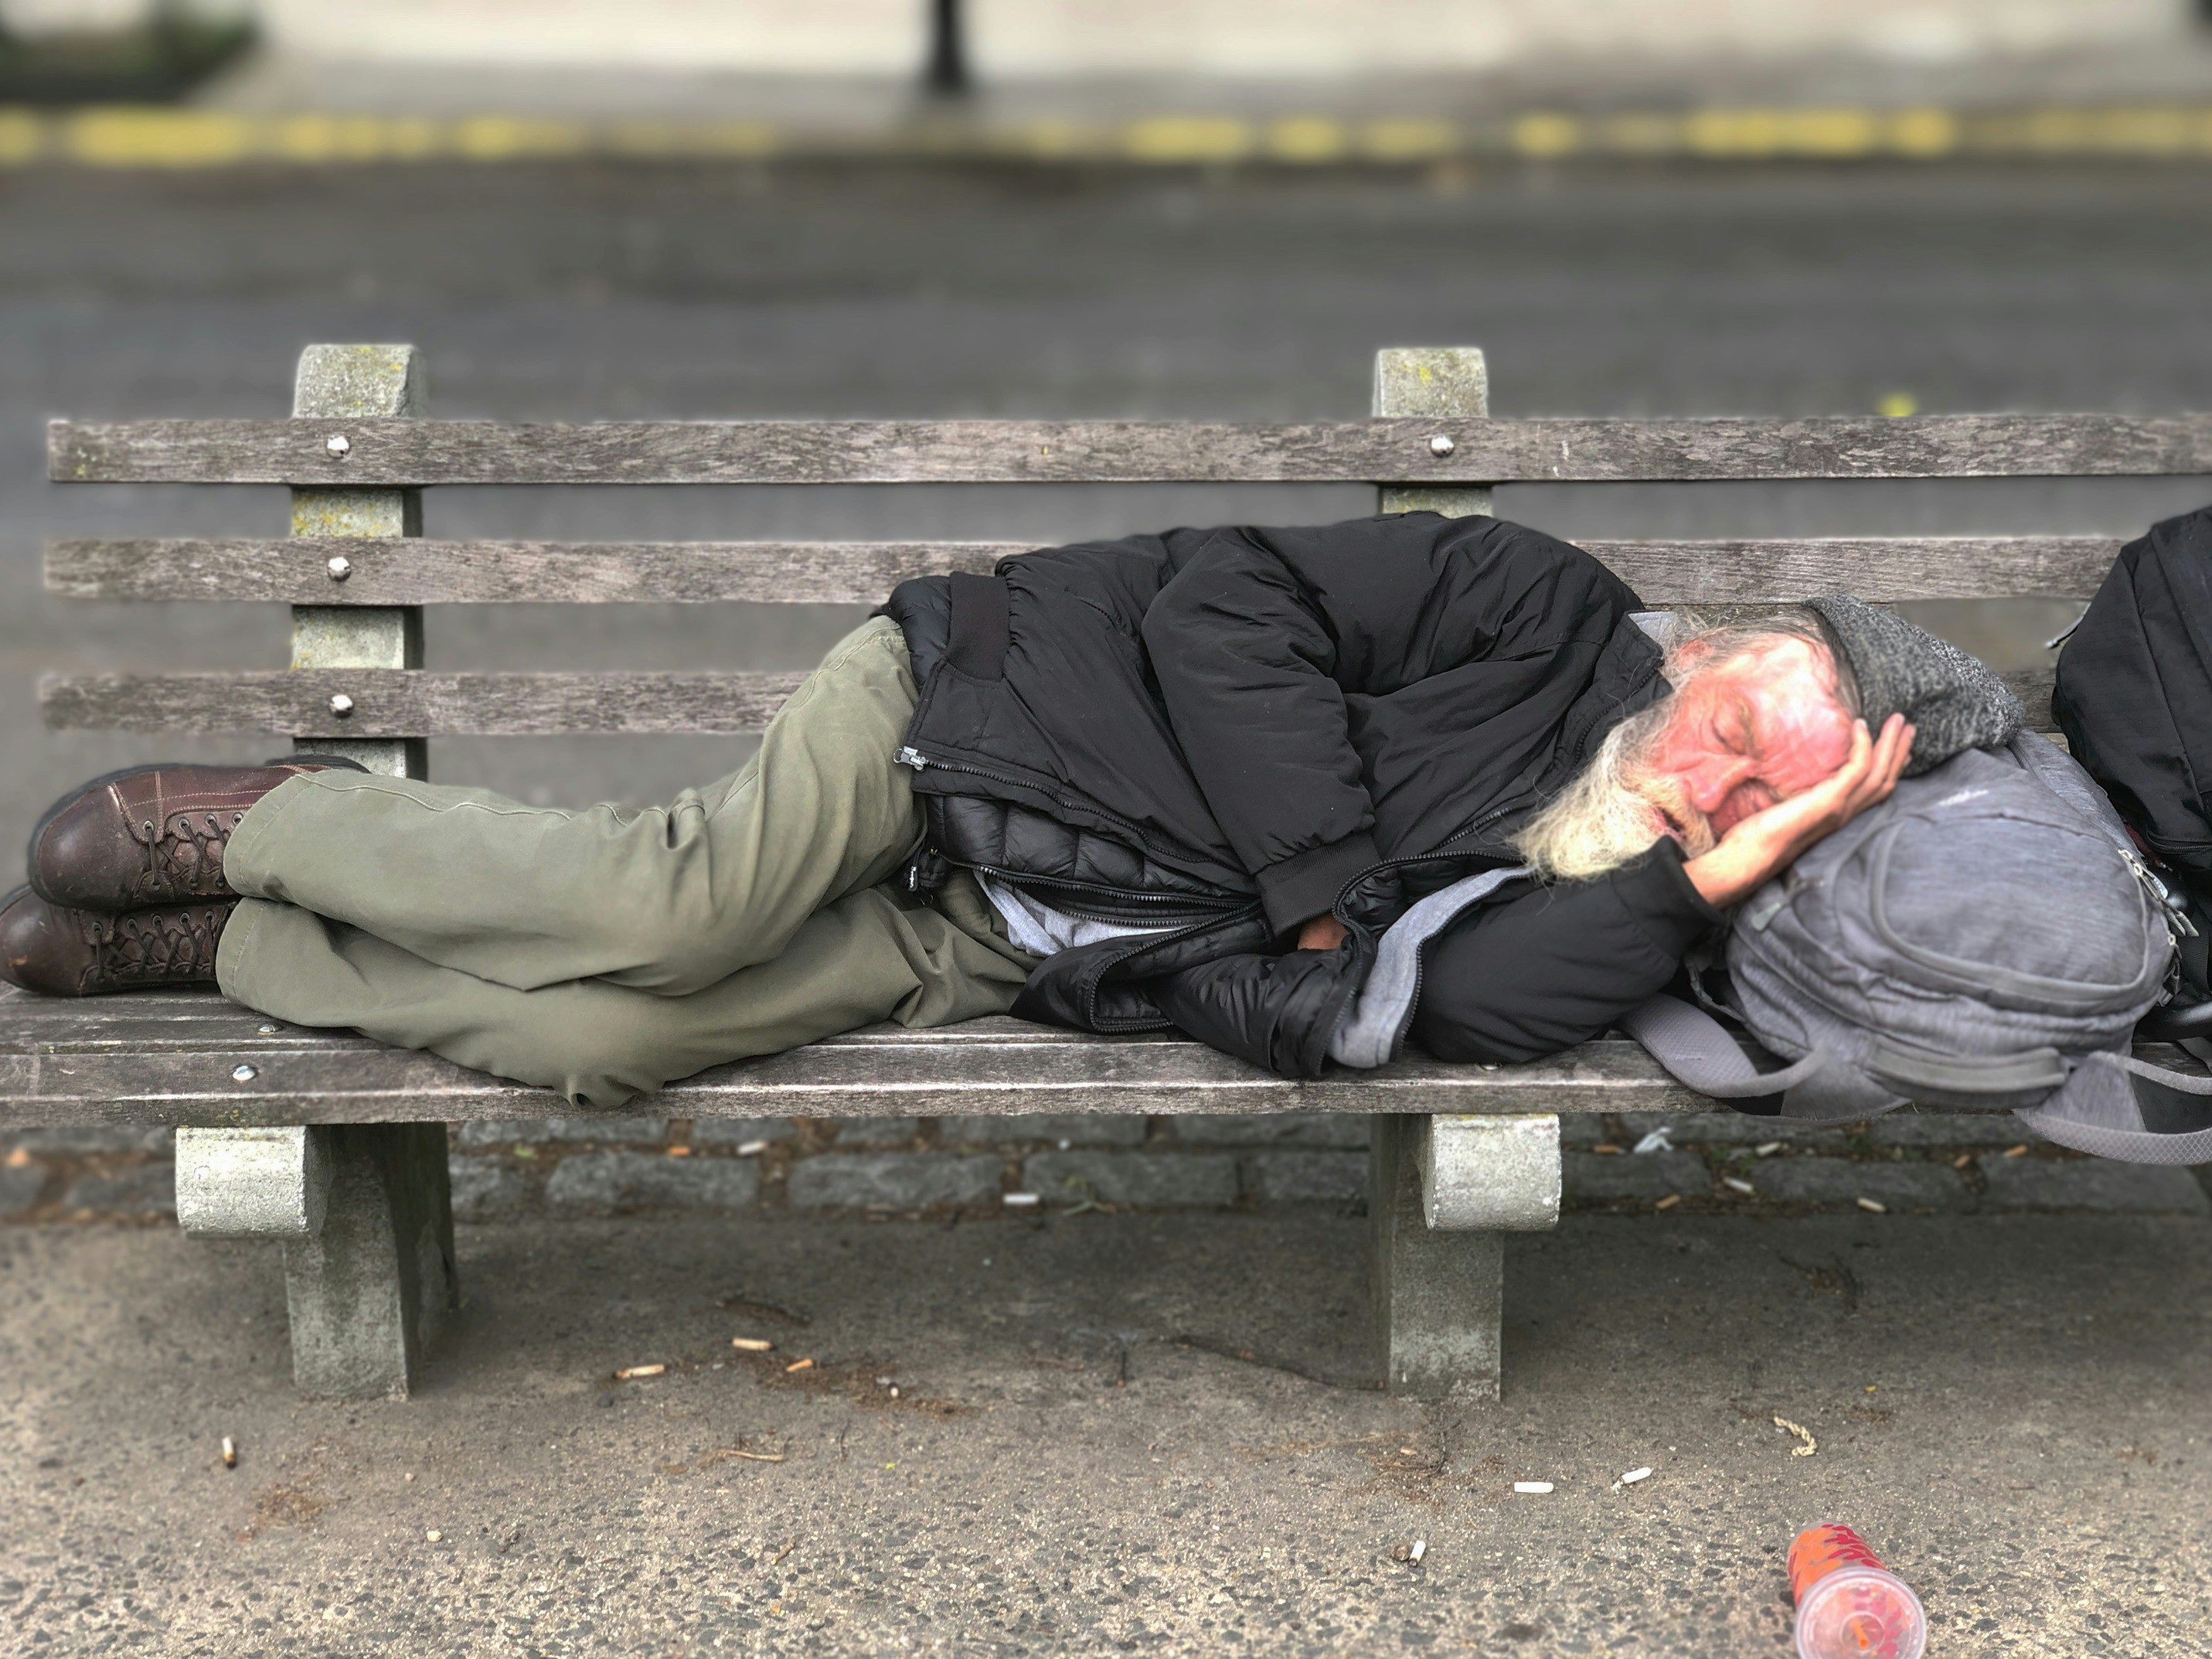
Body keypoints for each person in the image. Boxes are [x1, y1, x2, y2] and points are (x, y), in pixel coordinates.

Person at [4, 513, 2016, 1109]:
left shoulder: (1622, 874)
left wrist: (1699, 885)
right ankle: (261, 820)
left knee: (606, 1039)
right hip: (984, 715)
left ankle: (231, 941)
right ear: (1715, 641)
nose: (1712, 772)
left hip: (1037, 940)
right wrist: (1320, 893)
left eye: (1767, 795)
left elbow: (1462, 1013)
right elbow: (1227, 607)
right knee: (672, 910)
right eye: (1737, 721)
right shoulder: (1537, 603)